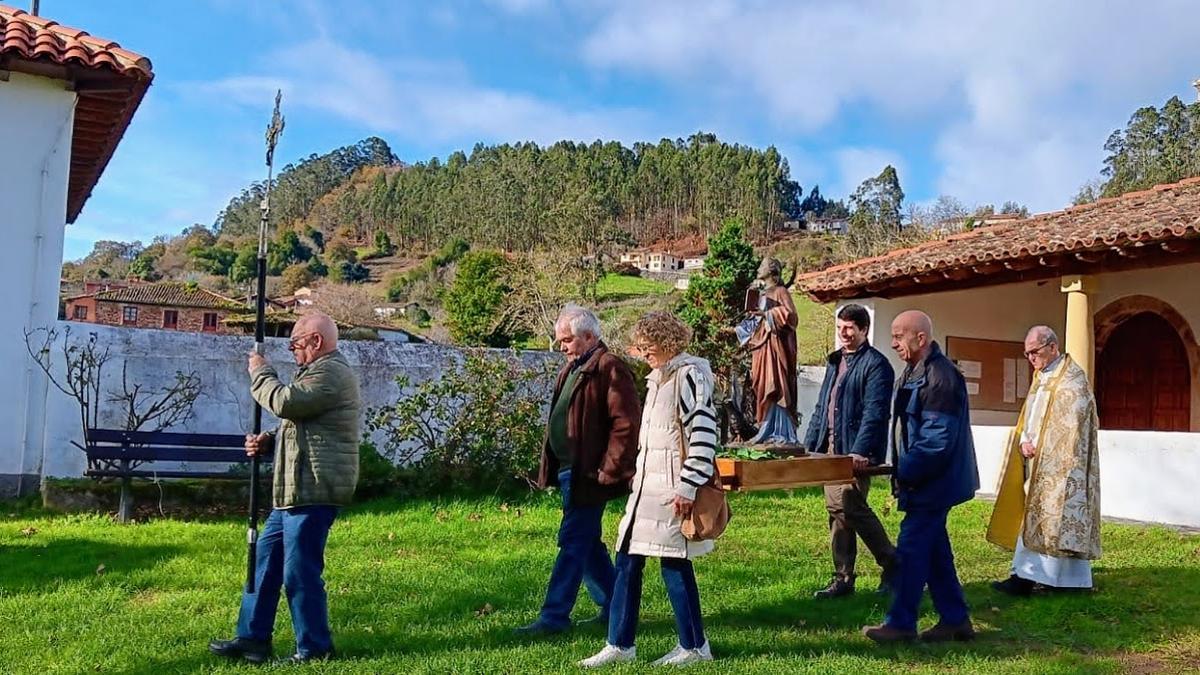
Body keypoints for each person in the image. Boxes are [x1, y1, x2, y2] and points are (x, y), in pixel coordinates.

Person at [209, 312, 361, 664]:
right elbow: (302, 425)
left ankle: (315, 648)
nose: (292, 349)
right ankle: (252, 639)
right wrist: (268, 440)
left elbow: (285, 402)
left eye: (295, 343)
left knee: (299, 571)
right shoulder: (314, 372)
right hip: (294, 491)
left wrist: (260, 372)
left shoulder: (331, 372)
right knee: (263, 562)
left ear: (316, 341)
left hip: (313, 488)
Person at [580, 311, 718, 667]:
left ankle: (694, 647)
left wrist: (688, 486)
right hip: (647, 489)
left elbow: (704, 436)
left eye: (648, 346)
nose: (643, 354)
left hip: (673, 490)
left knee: (674, 564)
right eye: (640, 347)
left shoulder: (689, 376)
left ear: (667, 342)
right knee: (627, 560)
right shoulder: (658, 379)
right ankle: (620, 645)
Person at [517, 304, 641, 636]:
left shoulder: (609, 367)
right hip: (571, 471)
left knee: (572, 540)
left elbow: (626, 424)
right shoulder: (573, 368)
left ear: (588, 336)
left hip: (590, 473)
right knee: (586, 542)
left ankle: (554, 616)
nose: (562, 347)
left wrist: (609, 470)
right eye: (560, 341)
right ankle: (616, 604)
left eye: (567, 340)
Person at [863, 310, 979, 644]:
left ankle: (900, 623)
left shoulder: (941, 377)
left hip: (933, 483)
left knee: (911, 550)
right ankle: (955, 620)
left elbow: (936, 441)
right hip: (923, 482)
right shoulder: (913, 372)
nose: (893, 343)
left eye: (899, 336)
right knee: (936, 553)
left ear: (921, 338)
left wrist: (905, 471)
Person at [987, 325, 1101, 596]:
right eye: (1026, 354)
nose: (1030, 358)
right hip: (1036, 462)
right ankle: (1025, 576)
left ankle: (1066, 581)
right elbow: (1032, 416)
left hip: (1062, 467)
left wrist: (1042, 447)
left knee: (1059, 519)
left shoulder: (1073, 380)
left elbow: (1073, 427)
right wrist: (1025, 440)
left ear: (1052, 347)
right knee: (1033, 516)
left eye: (1034, 352)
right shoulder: (1041, 377)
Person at [804, 304, 898, 599]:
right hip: (831, 449)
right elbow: (823, 406)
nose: (843, 333)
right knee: (837, 511)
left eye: (849, 328)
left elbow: (875, 413)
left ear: (864, 330)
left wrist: (860, 451)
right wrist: (809, 448)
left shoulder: (877, 365)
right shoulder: (835, 361)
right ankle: (843, 577)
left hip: (855, 451)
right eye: (839, 327)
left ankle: (894, 565)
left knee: (850, 506)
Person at [746, 257, 800, 443]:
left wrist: (768, 314)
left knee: (775, 385)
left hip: (776, 349)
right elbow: (756, 323)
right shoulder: (761, 294)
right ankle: (764, 429)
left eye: (762, 266)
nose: (758, 269)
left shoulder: (780, 291)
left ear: (771, 270)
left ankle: (780, 432)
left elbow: (792, 318)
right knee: (761, 385)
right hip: (761, 347)